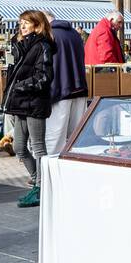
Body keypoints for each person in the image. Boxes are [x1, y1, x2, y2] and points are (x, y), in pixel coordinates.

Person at [4, 11, 55, 208]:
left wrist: (20, 86)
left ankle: (42, 188)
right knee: (18, 147)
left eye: (26, 23)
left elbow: (44, 76)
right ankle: (36, 179)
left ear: (37, 25)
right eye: (20, 23)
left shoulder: (42, 46)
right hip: (20, 103)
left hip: (33, 102)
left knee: (38, 146)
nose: (22, 27)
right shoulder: (22, 46)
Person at [44, 14, 89, 156]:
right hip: (79, 87)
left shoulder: (49, 34)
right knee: (77, 135)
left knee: (55, 137)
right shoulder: (75, 33)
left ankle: (49, 174)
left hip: (59, 88)